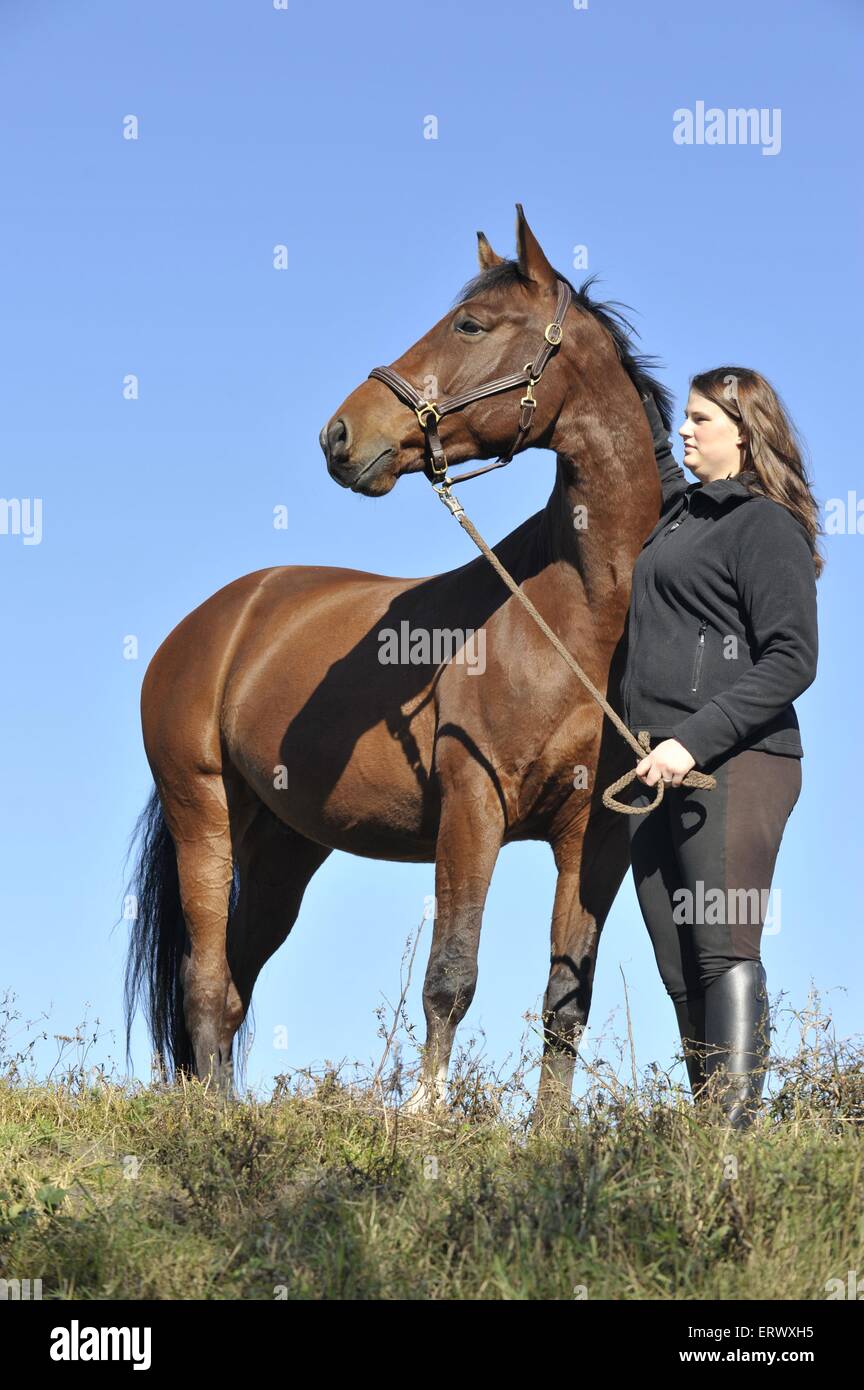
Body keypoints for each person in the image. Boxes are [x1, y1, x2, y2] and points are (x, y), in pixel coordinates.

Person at [627, 369, 822, 1129]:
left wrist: (690, 742)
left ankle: (733, 1157)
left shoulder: (765, 526)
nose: (684, 429)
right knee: (680, 972)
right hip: (653, 772)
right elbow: (637, 441)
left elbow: (793, 659)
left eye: (700, 418)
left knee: (723, 951)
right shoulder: (678, 516)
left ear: (742, 431)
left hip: (736, 765)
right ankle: (702, 1146)